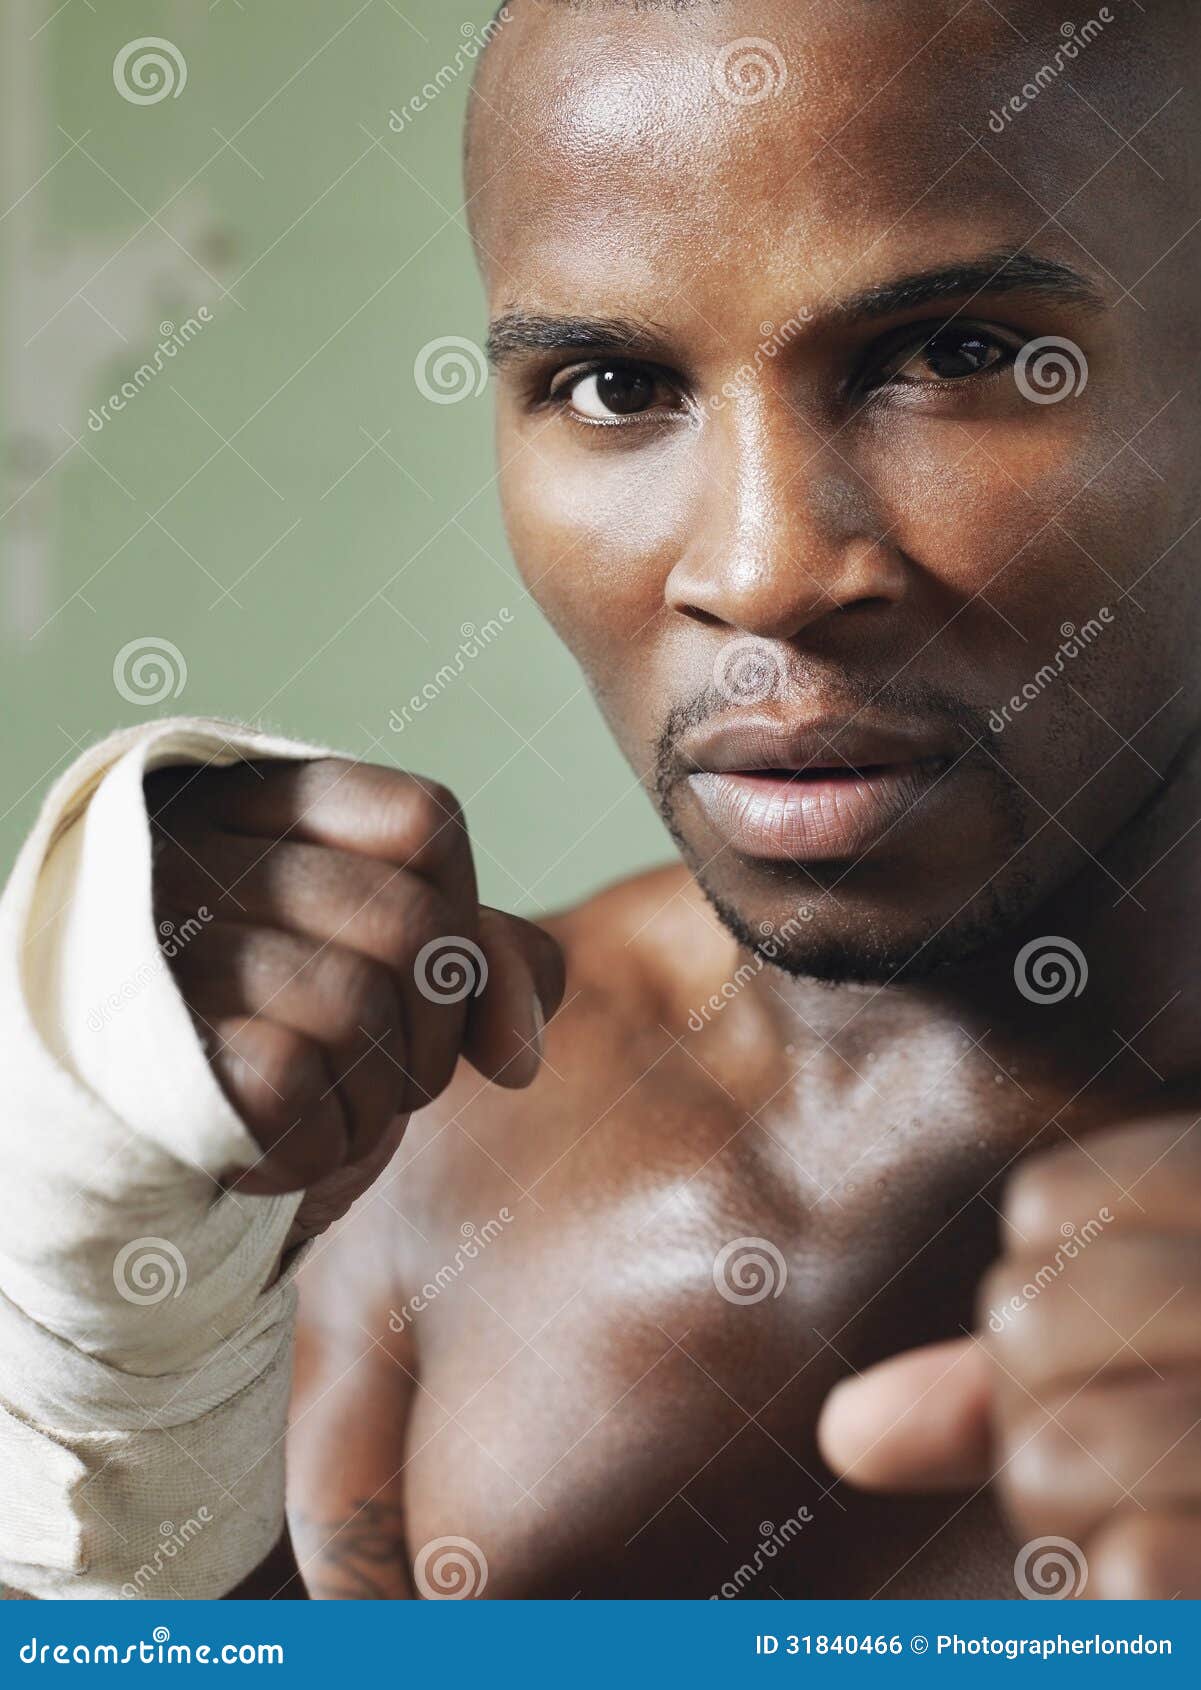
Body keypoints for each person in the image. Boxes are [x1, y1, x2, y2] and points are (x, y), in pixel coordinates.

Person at [6, 0, 1201, 1600]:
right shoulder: (416, 1140)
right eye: (612, 382)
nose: (761, 571)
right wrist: (91, 1304)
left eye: (953, 355)